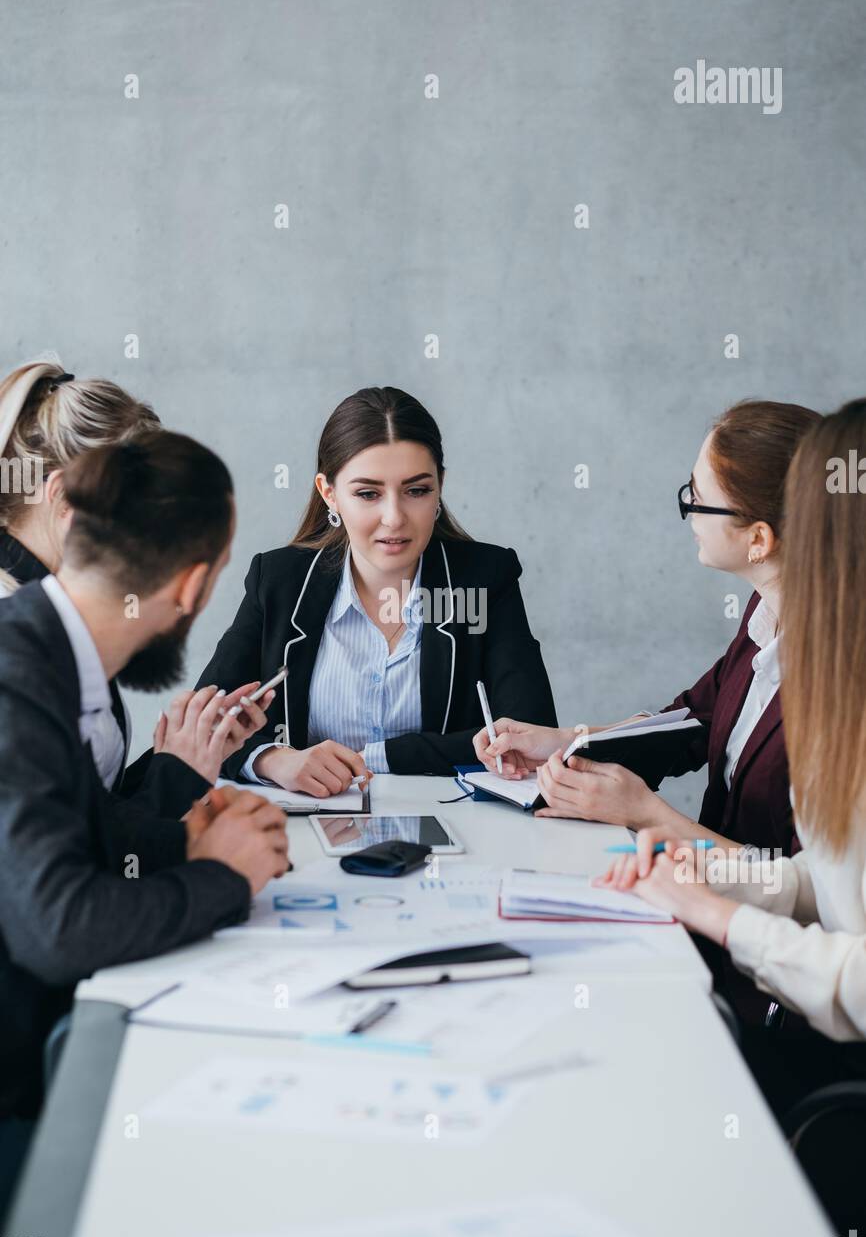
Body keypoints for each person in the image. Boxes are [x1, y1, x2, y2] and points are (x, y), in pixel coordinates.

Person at [0, 432, 290, 1219]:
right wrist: (220, 876)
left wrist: (187, 841)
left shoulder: (40, 643)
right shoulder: (18, 672)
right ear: (193, 588)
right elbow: (56, 926)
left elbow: (77, 835)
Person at [597, 399, 866, 1114]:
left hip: (815, 1045)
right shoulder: (797, 641)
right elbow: (834, 885)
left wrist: (716, 912)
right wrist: (707, 873)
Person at [474, 400, 821, 858]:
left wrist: (647, 814)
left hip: (757, 921)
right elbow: (694, 721)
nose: (690, 511)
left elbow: (803, 889)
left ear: (758, 539)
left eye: (699, 498)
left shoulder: (837, 675)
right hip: (706, 902)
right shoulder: (766, 611)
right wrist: (569, 742)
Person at [196, 386, 557, 792]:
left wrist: (374, 758)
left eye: (416, 490)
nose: (394, 518)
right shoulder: (280, 579)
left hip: (454, 830)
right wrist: (274, 760)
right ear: (329, 493)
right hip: (302, 830)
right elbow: (205, 727)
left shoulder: (485, 579)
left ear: (440, 487)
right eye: (368, 494)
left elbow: (530, 737)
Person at [0, 358, 269, 811]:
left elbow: (85, 811)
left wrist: (186, 759)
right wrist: (176, 779)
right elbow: (57, 870)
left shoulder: (66, 615)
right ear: (68, 503)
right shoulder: (20, 648)